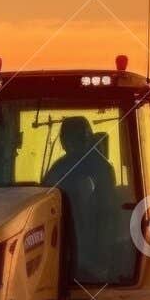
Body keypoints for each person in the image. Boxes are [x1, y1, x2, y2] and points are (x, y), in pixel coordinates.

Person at [43, 116, 134, 282]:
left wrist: (100, 250)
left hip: (90, 249)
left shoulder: (98, 169)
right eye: (70, 138)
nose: (72, 144)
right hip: (70, 245)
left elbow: (106, 210)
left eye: (77, 138)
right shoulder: (61, 168)